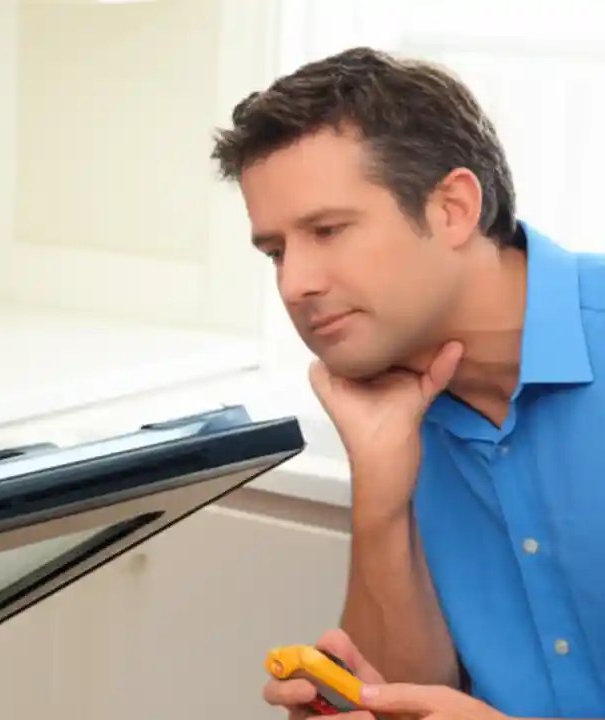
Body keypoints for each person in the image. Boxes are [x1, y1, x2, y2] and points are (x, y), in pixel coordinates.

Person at [210, 46, 605, 719]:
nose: (294, 283)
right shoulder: (395, 402)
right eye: (276, 252)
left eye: (329, 230)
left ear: (453, 208)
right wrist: (381, 490)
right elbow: (400, 692)